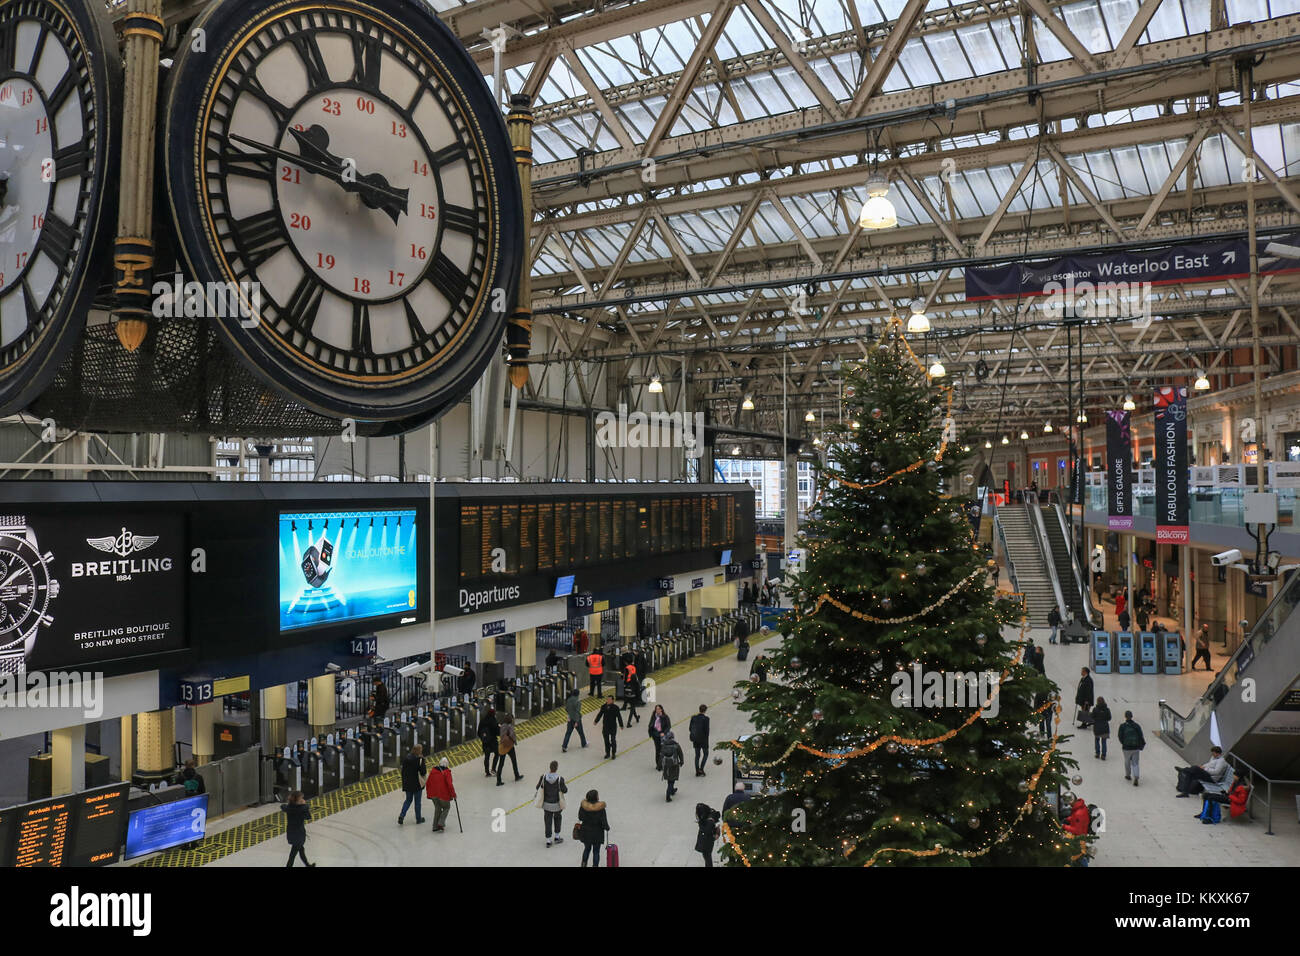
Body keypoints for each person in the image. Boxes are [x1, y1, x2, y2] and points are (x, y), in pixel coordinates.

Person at [536, 760, 568, 847]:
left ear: (550, 767)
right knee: (557, 819)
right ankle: (557, 837)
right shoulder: (560, 779)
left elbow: (537, 787)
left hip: (546, 804)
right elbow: (565, 790)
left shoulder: (543, 777)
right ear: (556, 768)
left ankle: (548, 840)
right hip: (557, 805)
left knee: (548, 821)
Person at [282, 790, 315, 867]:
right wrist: (304, 806)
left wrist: (303, 805)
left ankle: (308, 865)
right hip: (299, 834)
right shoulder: (301, 809)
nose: (303, 800)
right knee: (293, 853)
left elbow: (283, 807)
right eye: (301, 799)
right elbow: (308, 817)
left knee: (301, 849)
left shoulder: (289, 808)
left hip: (291, 832)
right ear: (297, 801)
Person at [576, 789, 610, 867]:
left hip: (585, 832)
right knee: (596, 852)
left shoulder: (583, 807)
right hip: (597, 833)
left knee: (587, 849)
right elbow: (604, 821)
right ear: (596, 797)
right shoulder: (601, 809)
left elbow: (580, 817)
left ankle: (584, 864)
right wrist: (607, 827)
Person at [398, 744, 427, 825]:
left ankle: (402, 815)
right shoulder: (420, 760)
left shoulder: (407, 758)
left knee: (408, 800)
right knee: (417, 802)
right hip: (417, 784)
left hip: (407, 783)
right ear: (419, 751)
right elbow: (423, 772)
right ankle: (418, 819)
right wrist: (423, 761)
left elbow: (403, 771)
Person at [426, 757, 455, 832]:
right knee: (446, 807)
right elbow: (449, 785)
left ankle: (435, 826)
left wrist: (429, 794)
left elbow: (428, 782)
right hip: (443, 794)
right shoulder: (447, 772)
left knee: (437, 808)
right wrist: (453, 794)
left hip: (433, 794)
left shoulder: (433, 770)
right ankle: (441, 823)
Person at [1117, 710, 1145, 786]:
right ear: (1132, 716)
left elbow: (1120, 736)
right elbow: (1140, 735)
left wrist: (1124, 743)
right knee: (1135, 763)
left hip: (1126, 747)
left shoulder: (1122, 726)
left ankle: (1128, 775)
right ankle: (1136, 776)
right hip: (1135, 747)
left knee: (1127, 761)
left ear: (1125, 716)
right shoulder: (1136, 726)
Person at [495, 713, 522, 785]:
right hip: (509, 746)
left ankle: (498, 780)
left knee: (501, 763)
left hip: (502, 746)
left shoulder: (502, 726)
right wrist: (515, 741)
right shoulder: (510, 726)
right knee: (514, 761)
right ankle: (517, 775)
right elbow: (512, 735)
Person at [594, 695, 624, 759]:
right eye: (607, 699)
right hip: (605, 726)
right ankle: (607, 753)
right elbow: (600, 714)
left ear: (613, 700)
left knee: (613, 740)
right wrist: (596, 721)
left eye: (609, 700)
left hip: (613, 727)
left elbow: (619, 717)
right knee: (606, 741)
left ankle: (613, 753)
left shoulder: (616, 708)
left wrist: (621, 725)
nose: (608, 701)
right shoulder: (603, 707)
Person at [660, 730, 684, 802]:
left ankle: (672, 790)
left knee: (669, 778)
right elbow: (680, 754)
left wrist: (660, 765)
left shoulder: (663, 745)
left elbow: (661, 756)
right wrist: (681, 761)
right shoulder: (676, 745)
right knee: (672, 780)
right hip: (674, 764)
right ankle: (668, 794)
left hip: (666, 765)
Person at [561, 687, 588, 752]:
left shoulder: (569, 700)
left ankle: (564, 746)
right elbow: (577, 712)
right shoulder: (578, 702)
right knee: (581, 732)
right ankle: (584, 743)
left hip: (570, 719)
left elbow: (566, 709)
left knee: (568, 733)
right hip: (576, 719)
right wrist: (576, 721)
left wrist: (569, 715)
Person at [695, 803, 721, 867]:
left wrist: (700, 823)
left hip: (707, 841)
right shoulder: (710, 816)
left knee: (707, 856)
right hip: (708, 839)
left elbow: (706, 830)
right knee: (707, 856)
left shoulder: (709, 821)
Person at [688, 704, 710, 777]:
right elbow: (707, 731)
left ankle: (697, 771)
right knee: (706, 754)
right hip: (703, 740)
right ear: (705, 710)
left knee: (697, 755)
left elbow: (690, 728)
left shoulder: (693, 717)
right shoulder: (706, 719)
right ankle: (701, 769)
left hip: (695, 739)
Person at [647, 704, 672, 770]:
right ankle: (658, 765)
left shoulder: (665, 717)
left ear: (661, 709)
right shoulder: (654, 716)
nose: (657, 710)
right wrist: (651, 733)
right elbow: (650, 724)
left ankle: (663, 763)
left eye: (658, 709)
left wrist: (664, 733)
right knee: (657, 750)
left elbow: (668, 726)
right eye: (656, 709)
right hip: (656, 735)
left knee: (663, 750)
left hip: (662, 736)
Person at [478, 707, 500, 777]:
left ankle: (487, 772)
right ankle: (493, 769)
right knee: (497, 754)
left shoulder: (483, 720)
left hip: (485, 742)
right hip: (493, 742)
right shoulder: (493, 721)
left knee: (487, 756)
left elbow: (478, 732)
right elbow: (497, 732)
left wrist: (483, 739)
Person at [1091, 696, 1112, 760]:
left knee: (1097, 740)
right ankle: (1103, 755)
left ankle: (1097, 753)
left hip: (1097, 727)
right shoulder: (1107, 709)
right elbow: (1109, 718)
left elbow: (1092, 716)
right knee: (1104, 741)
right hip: (1105, 727)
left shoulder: (1095, 709)